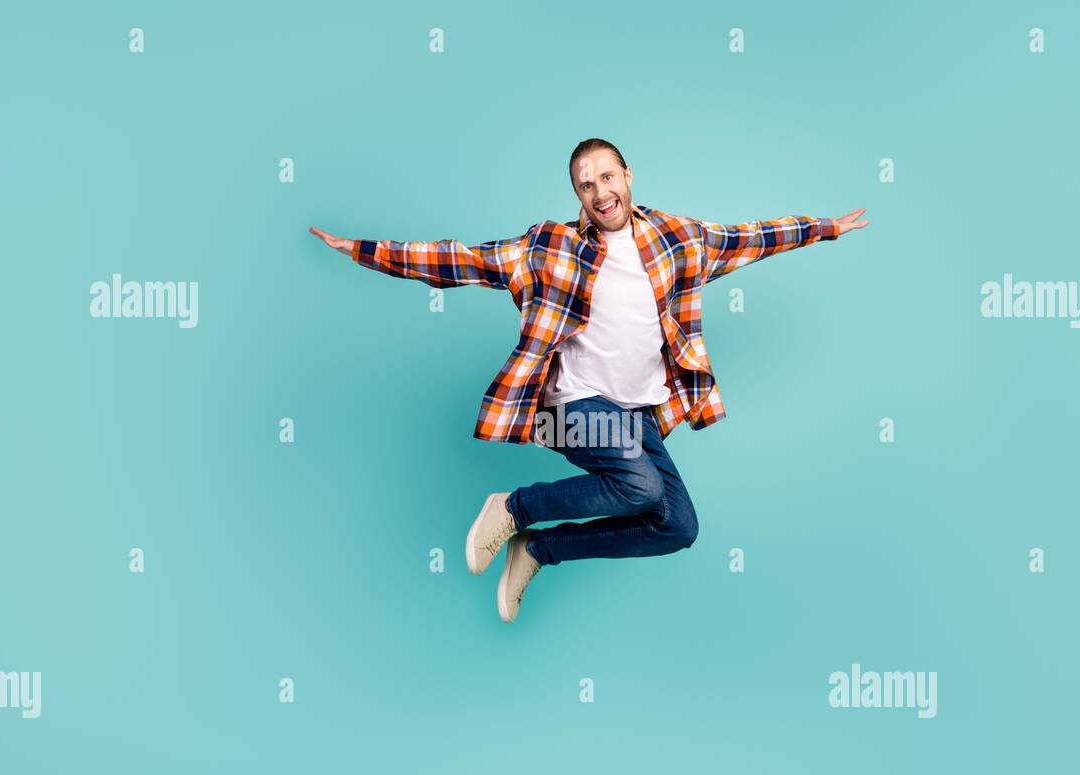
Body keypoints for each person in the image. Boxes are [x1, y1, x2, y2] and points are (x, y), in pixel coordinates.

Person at [311, 138, 868, 622]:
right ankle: (512, 508)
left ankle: (539, 550)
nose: (600, 192)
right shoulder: (550, 247)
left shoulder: (681, 239)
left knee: (677, 526)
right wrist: (362, 251)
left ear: (628, 177)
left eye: (607, 177)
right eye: (585, 185)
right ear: (577, 196)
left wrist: (825, 230)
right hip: (568, 411)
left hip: (636, 414)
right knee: (641, 487)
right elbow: (457, 260)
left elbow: (751, 237)